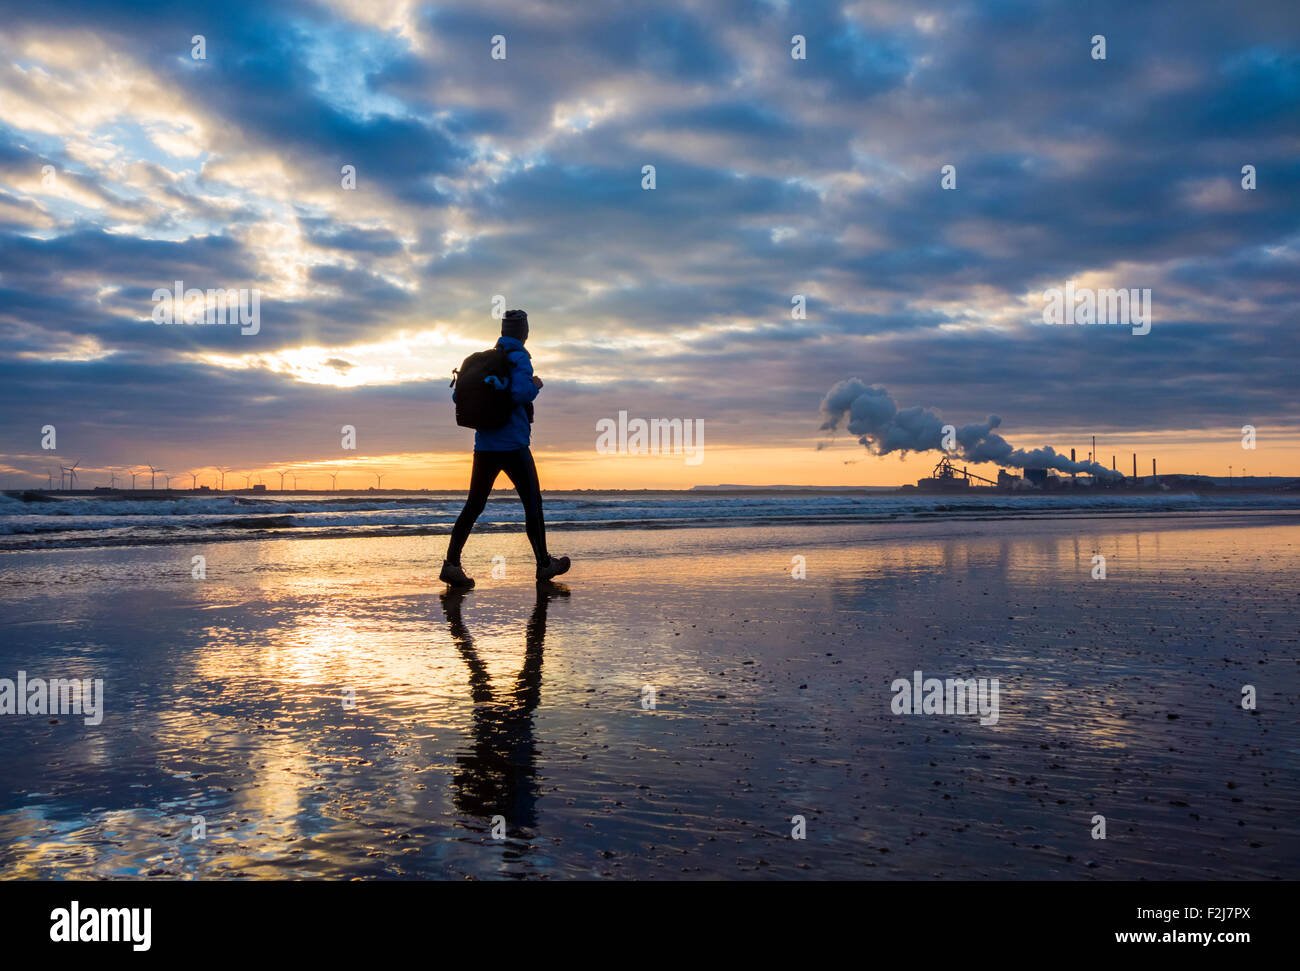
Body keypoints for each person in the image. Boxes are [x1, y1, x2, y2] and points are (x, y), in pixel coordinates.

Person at [441, 309, 570, 588]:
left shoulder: (482, 361)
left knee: (474, 505)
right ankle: (544, 564)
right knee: (532, 504)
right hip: (513, 445)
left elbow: (457, 396)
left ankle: (451, 564)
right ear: (524, 333)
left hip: (485, 445)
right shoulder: (519, 358)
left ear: (502, 332)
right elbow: (520, 393)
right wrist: (535, 385)